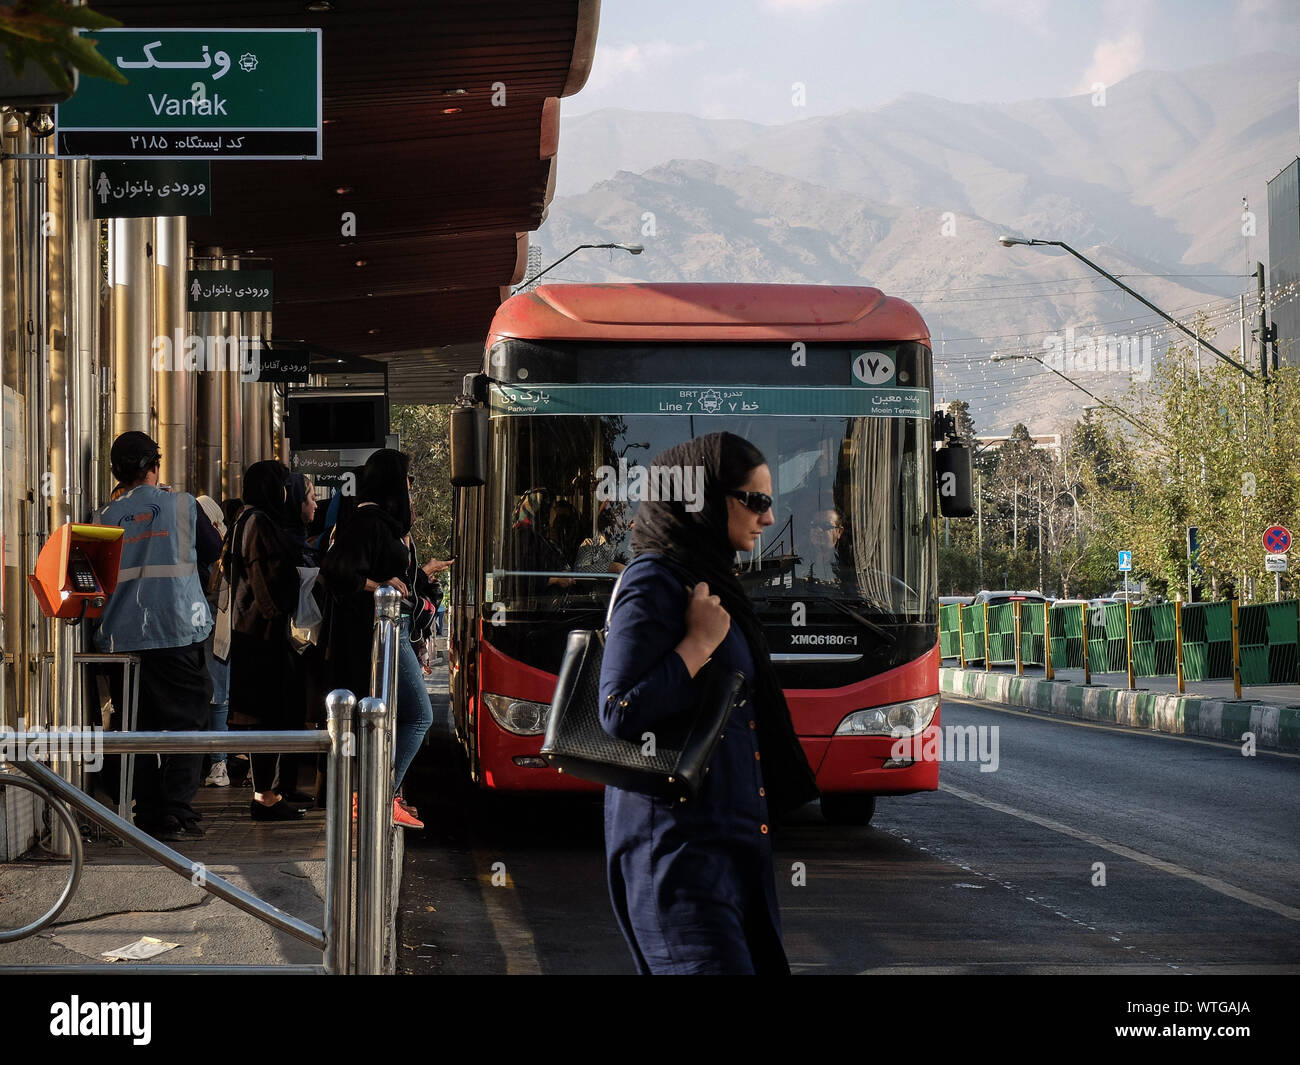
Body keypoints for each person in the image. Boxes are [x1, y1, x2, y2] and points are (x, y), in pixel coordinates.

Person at [599, 431, 819, 975]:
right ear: (706, 499)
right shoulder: (652, 582)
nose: (768, 519)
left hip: (731, 855)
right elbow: (618, 711)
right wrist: (694, 647)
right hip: (677, 857)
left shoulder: (712, 581)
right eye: (757, 500)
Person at [93, 431, 221, 840]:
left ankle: (148, 811)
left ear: (117, 472)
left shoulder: (102, 518)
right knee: (188, 722)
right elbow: (214, 548)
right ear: (154, 466)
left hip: (121, 639)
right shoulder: (182, 505)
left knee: (137, 726)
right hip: (177, 630)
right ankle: (176, 808)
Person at [321, 449, 452, 829]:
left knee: (399, 716)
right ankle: (378, 794)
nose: (410, 487)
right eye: (406, 479)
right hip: (378, 631)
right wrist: (377, 586)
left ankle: (383, 795)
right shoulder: (368, 520)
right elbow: (333, 568)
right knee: (421, 715)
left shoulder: (376, 521)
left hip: (384, 630)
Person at [225, 460, 306, 822]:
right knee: (268, 716)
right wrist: (279, 616)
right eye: (282, 484)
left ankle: (269, 792)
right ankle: (266, 796)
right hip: (261, 636)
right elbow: (262, 577)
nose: (286, 491)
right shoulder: (258, 522)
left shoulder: (246, 518)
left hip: (251, 633)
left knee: (265, 716)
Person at [196, 495, 231, 788]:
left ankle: (216, 762)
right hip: (220, 632)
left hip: (201, 628)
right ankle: (218, 763)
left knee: (213, 693)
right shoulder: (223, 552)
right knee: (218, 693)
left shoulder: (201, 554)